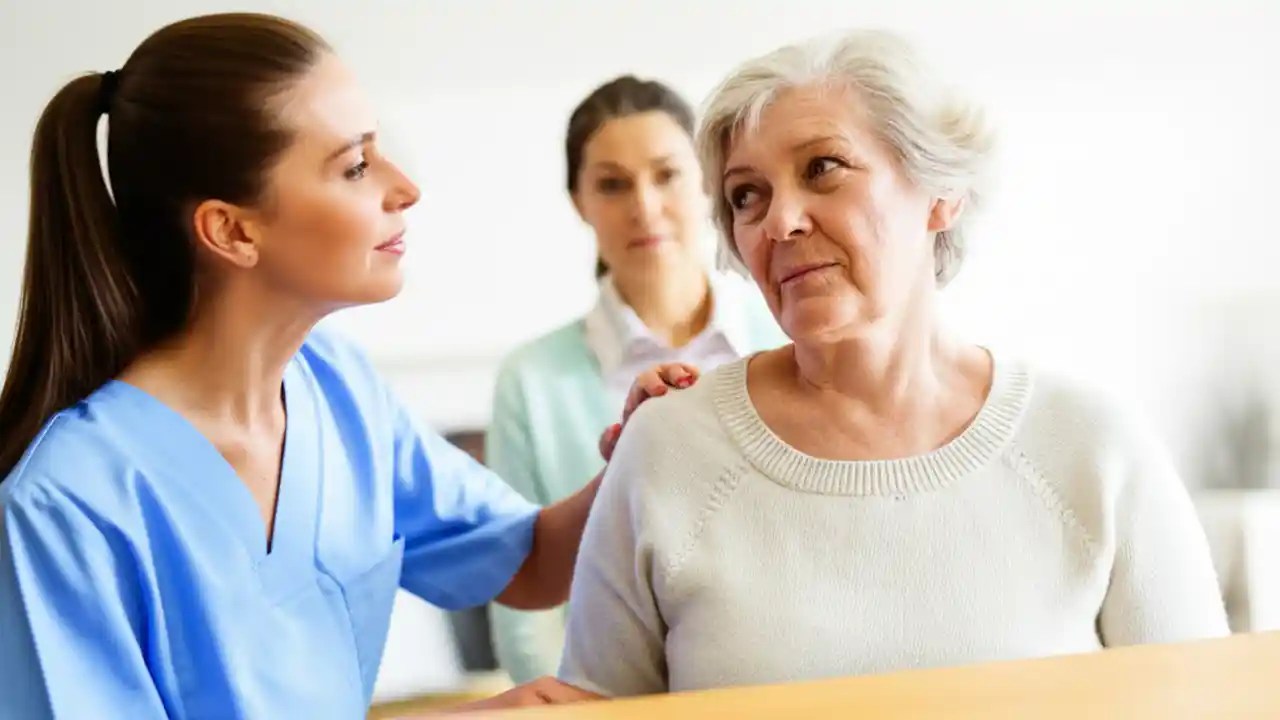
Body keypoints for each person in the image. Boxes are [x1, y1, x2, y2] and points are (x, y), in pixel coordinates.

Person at [0, 13, 672, 718]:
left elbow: (526, 560)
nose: (404, 187)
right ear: (231, 229)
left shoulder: (336, 388)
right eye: (355, 166)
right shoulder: (67, 504)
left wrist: (650, 449)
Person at [556, 29, 1230, 698]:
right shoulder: (667, 447)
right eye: (745, 195)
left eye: (823, 167)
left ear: (941, 191)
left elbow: (1208, 704)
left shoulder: (1093, 445)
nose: (778, 221)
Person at [485, 75, 785, 683]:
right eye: (613, 184)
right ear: (579, 202)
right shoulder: (532, 380)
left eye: (666, 174)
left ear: (707, 181)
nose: (643, 206)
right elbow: (521, 606)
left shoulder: (787, 332)